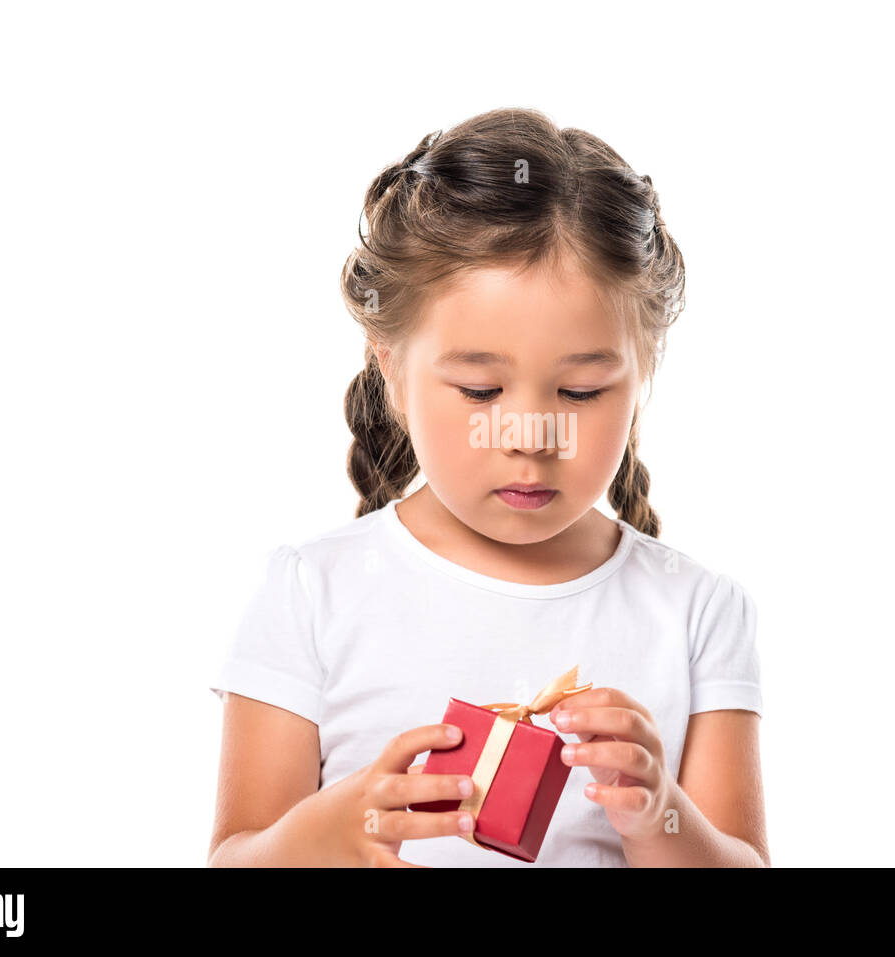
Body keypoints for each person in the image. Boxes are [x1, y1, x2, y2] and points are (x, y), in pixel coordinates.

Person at [207, 107, 767, 867]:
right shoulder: (311, 592)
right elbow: (237, 857)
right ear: (392, 370)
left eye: (579, 392)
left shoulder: (696, 611)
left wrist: (659, 813)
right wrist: (335, 830)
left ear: (642, 374)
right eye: (479, 390)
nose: (531, 436)